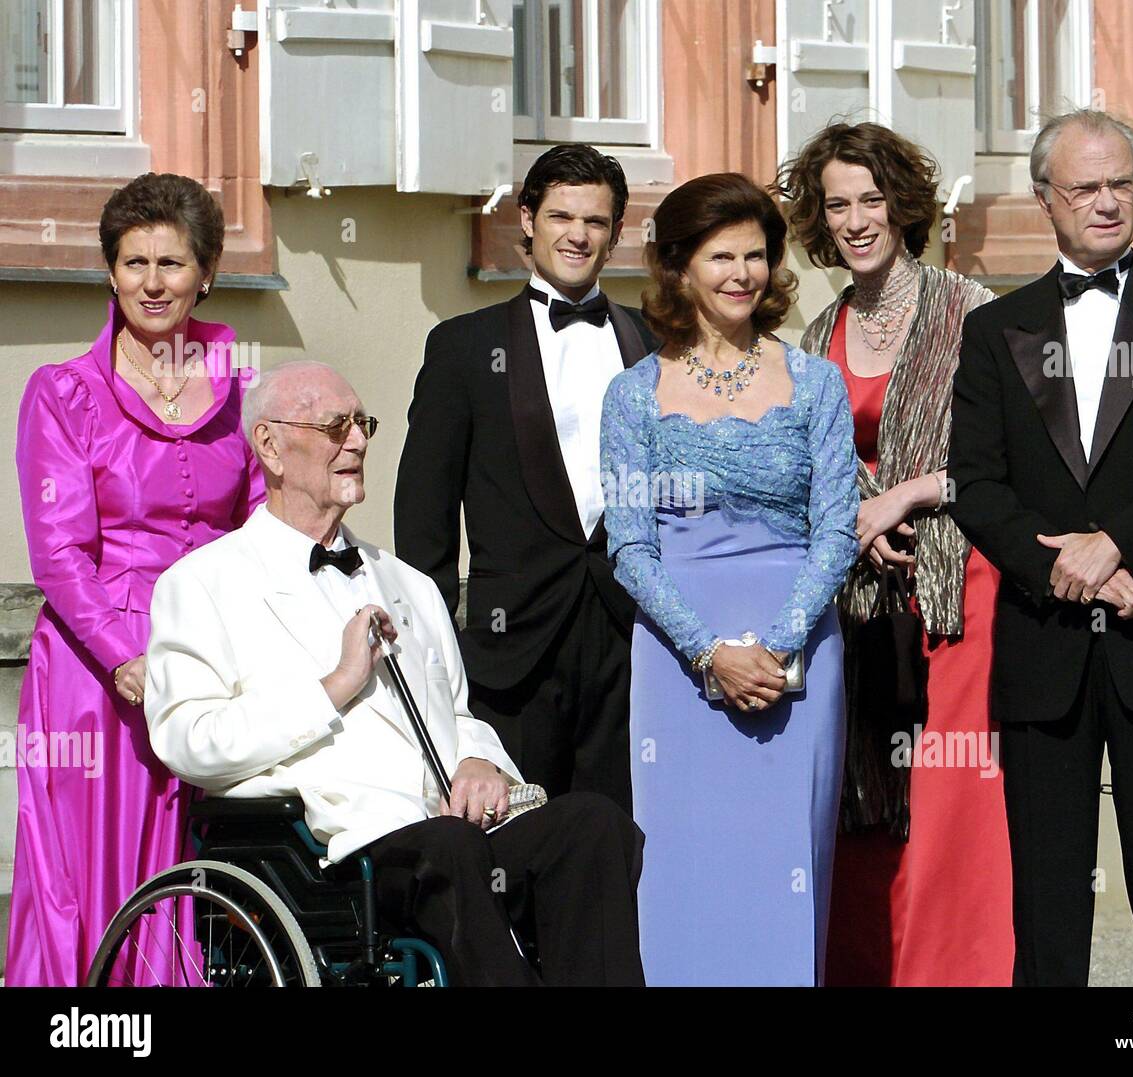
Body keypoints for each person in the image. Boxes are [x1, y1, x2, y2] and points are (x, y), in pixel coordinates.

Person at [145, 362, 645, 987]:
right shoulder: (202, 584)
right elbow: (187, 740)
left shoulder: (408, 584)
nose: (355, 441)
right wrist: (335, 686)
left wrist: (479, 763)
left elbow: (459, 714)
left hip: (452, 831)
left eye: (361, 424)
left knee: (591, 826)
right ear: (270, 446)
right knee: (448, 850)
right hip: (337, 852)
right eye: (333, 427)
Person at [948, 109, 1133, 986]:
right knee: (1046, 902)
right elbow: (977, 482)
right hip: (1044, 649)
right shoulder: (995, 329)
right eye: (1086, 187)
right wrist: (1066, 571)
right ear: (1046, 199)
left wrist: (1117, 547)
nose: (1108, 201)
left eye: (1122, 182)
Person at [7, 172, 265, 986]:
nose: (152, 282)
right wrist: (128, 659)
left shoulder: (243, 379)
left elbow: (264, 524)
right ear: (110, 272)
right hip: (97, 671)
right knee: (88, 879)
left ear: (207, 273)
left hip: (215, 658)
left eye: (172, 263)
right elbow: (58, 555)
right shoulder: (63, 392)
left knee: (202, 866)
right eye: (133, 262)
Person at [600, 172, 858, 986]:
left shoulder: (816, 382)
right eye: (722, 256)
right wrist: (710, 651)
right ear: (679, 267)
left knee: (788, 868)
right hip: (677, 666)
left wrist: (774, 648)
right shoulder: (632, 396)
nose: (742, 273)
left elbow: (838, 531)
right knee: (683, 867)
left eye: (756, 254)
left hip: (799, 658)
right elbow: (629, 548)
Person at [777, 122, 1013, 986]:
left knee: (953, 804)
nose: (855, 220)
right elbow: (807, 469)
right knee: (865, 799)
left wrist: (903, 495)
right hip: (856, 599)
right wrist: (855, 516)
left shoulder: (975, 313)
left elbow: (1009, 458)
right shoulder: (816, 333)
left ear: (903, 205)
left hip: (960, 594)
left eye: (870, 200)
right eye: (836, 204)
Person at [395, 144, 657, 814]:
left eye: (596, 221)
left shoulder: (655, 343)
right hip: (507, 658)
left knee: (617, 841)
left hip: (631, 644)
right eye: (563, 216)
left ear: (617, 231)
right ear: (529, 219)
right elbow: (423, 525)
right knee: (510, 843)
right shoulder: (460, 347)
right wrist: (443, 664)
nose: (578, 234)